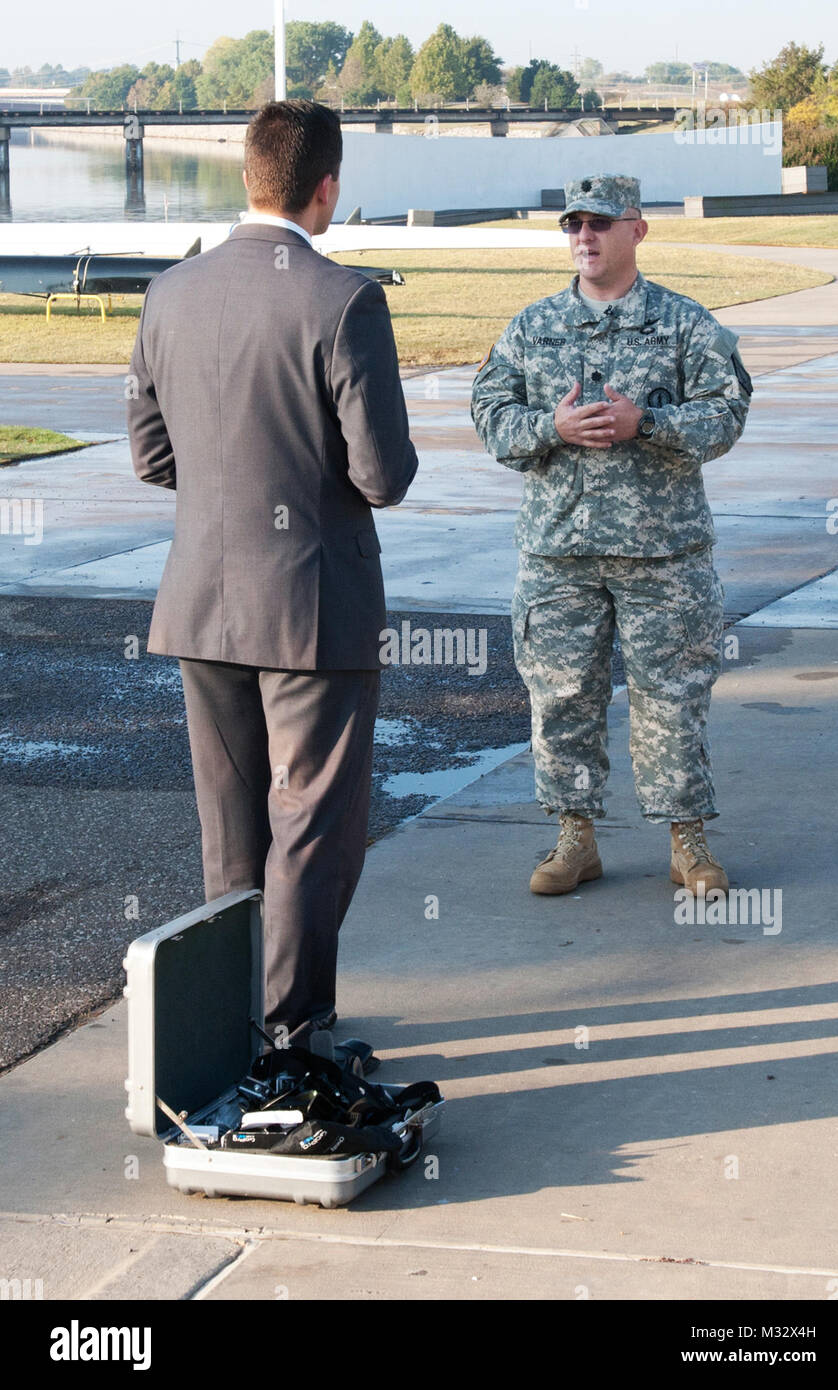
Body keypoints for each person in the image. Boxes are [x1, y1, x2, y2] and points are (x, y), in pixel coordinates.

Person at [127, 100, 417, 1041]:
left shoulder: (169, 293)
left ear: (246, 177)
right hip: (313, 611)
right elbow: (382, 474)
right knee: (310, 834)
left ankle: (223, 1029)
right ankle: (292, 1034)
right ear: (326, 187)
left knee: (233, 835)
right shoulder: (344, 299)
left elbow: (151, 456)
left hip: (201, 607)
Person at [471, 174, 752, 898]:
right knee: (561, 697)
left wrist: (649, 423)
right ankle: (575, 838)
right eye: (573, 225)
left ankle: (688, 842)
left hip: (664, 552)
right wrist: (549, 427)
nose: (584, 238)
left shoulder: (686, 323)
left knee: (673, 698)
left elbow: (727, 414)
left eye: (599, 224)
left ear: (637, 230)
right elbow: (490, 416)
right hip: (559, 553)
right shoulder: (532, 327)